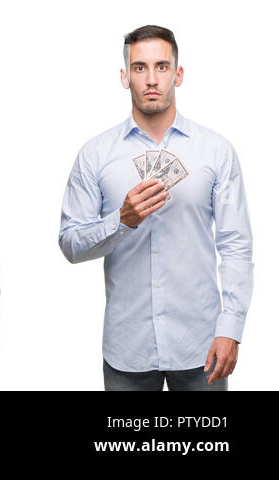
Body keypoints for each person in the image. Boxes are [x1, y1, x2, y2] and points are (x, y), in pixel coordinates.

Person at [58, 25, 252, 391]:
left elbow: (236, 246)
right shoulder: (95, 154)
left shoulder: (216, 151)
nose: (151, 79)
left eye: (162, 66)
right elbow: (70, 244)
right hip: (127, 348)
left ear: (178, 74)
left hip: (202, 344)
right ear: (124, 77)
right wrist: (121, 221)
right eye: (139, 67)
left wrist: (231, 328)